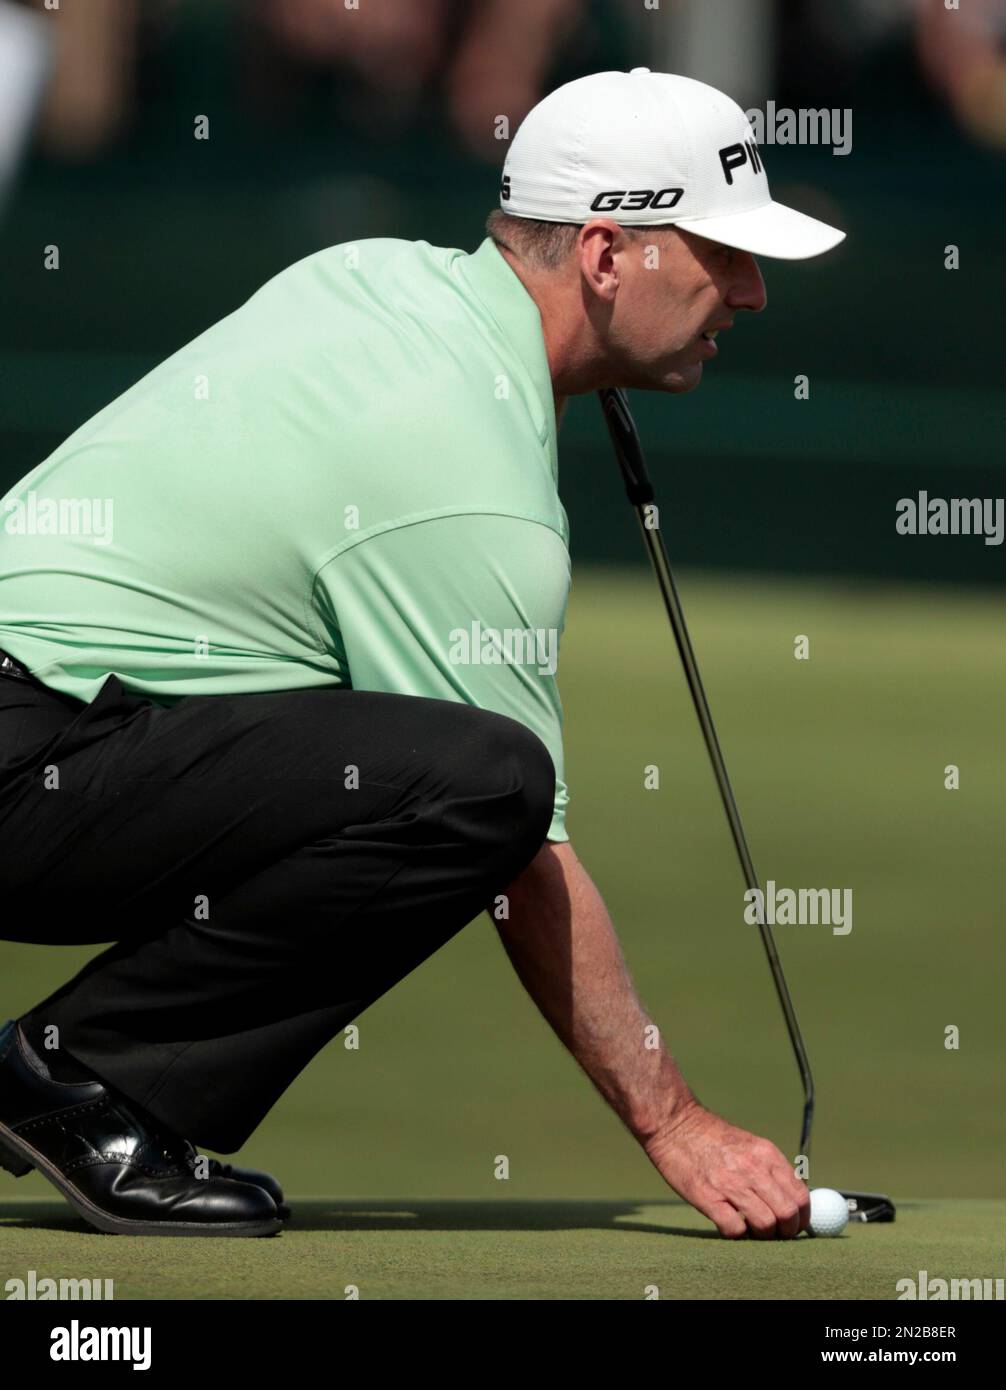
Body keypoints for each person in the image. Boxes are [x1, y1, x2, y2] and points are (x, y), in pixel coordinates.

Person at [0, 70, 843, 1239]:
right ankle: (85, 1080)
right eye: (718, 256)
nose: (748, 295)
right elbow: (518, 848)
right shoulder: (461, 478)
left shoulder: (373, 274)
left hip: (49, 726)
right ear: (604, 255)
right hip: (25, 754)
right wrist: (674, 1122)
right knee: (485, 782)